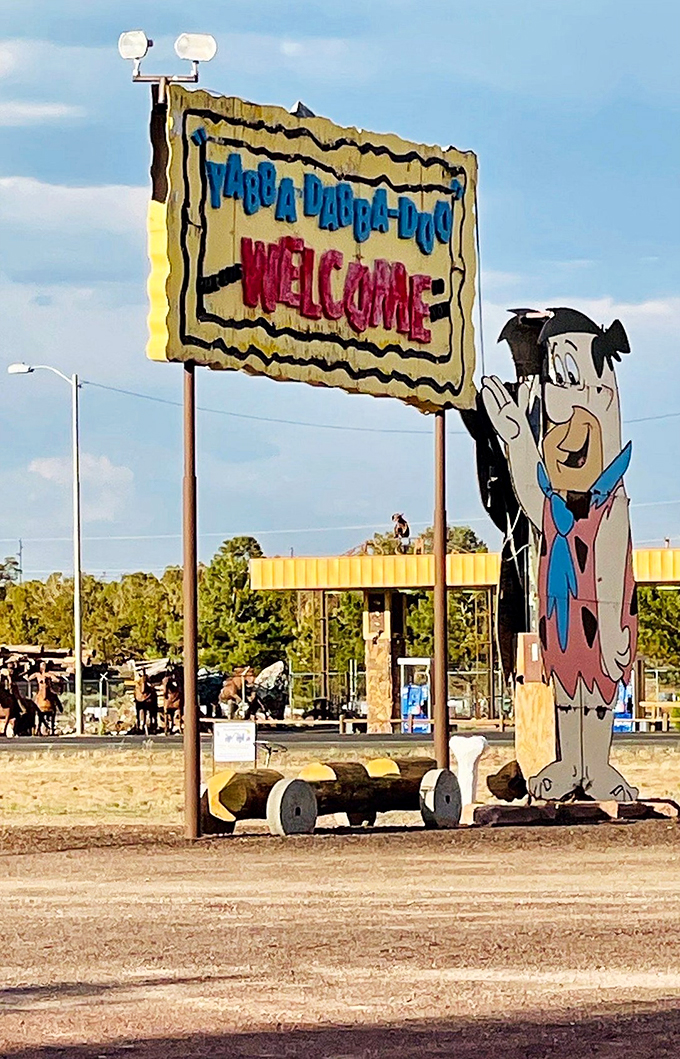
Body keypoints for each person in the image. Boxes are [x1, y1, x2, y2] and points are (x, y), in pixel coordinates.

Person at [482, 308, 637, 802]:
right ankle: (572, 763)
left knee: (598, 691)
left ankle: (596, 764)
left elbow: (612, 555)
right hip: (563, 607)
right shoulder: (554, 504)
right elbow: (532, 487)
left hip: (598, 605)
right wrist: (515, 435)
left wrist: (612, 623)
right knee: (569, 690)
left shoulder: (609, 500)